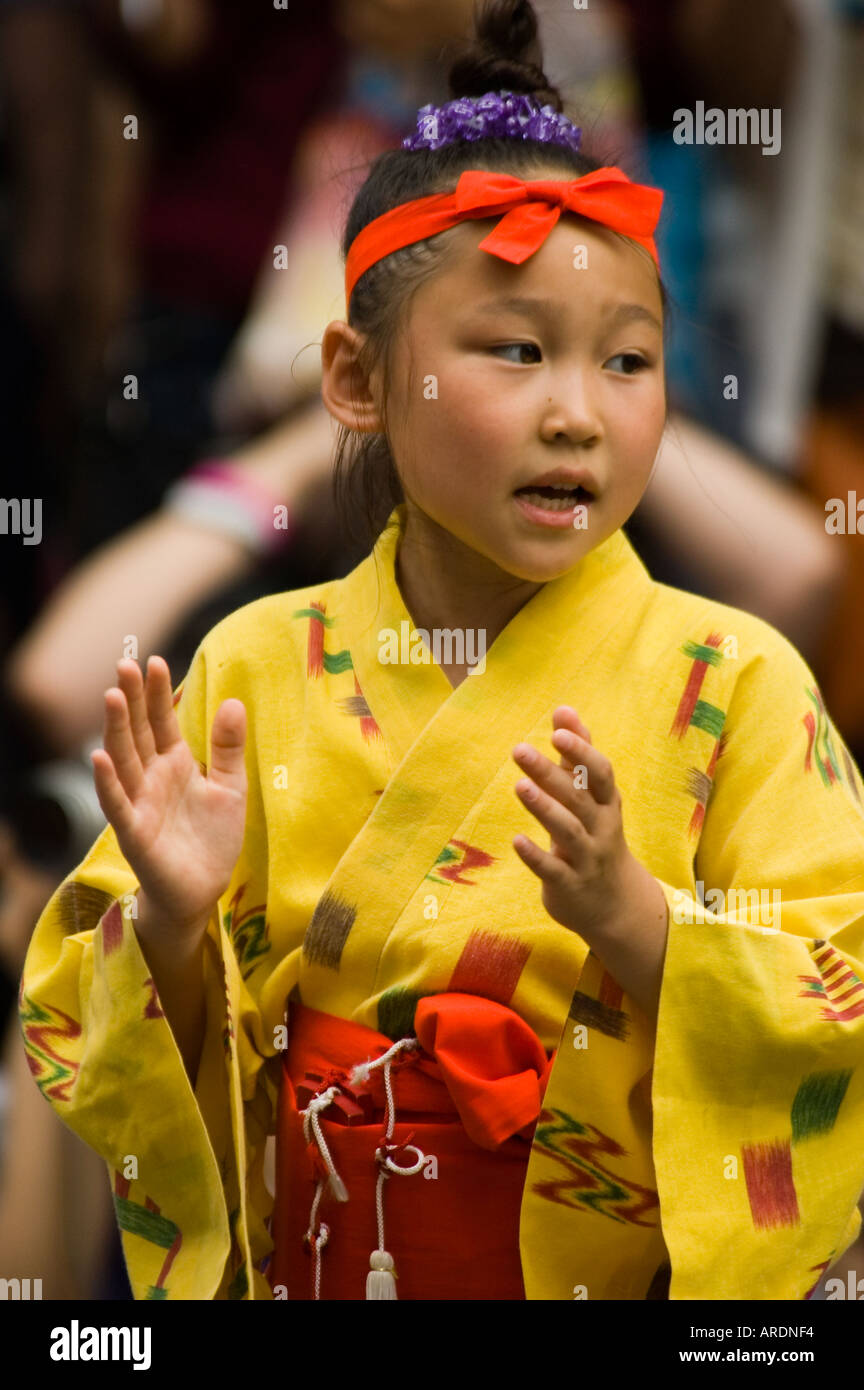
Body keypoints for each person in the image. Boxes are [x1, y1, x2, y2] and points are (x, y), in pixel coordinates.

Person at [19, 0, 864, 1301]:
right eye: (517, 351)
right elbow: (105, 1037)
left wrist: (637, 921)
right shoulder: (255, 661)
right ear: (357, 381)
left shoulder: (739, 679)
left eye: (629, 362)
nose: (578, 413)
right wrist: (177, 927)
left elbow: (840, 985)